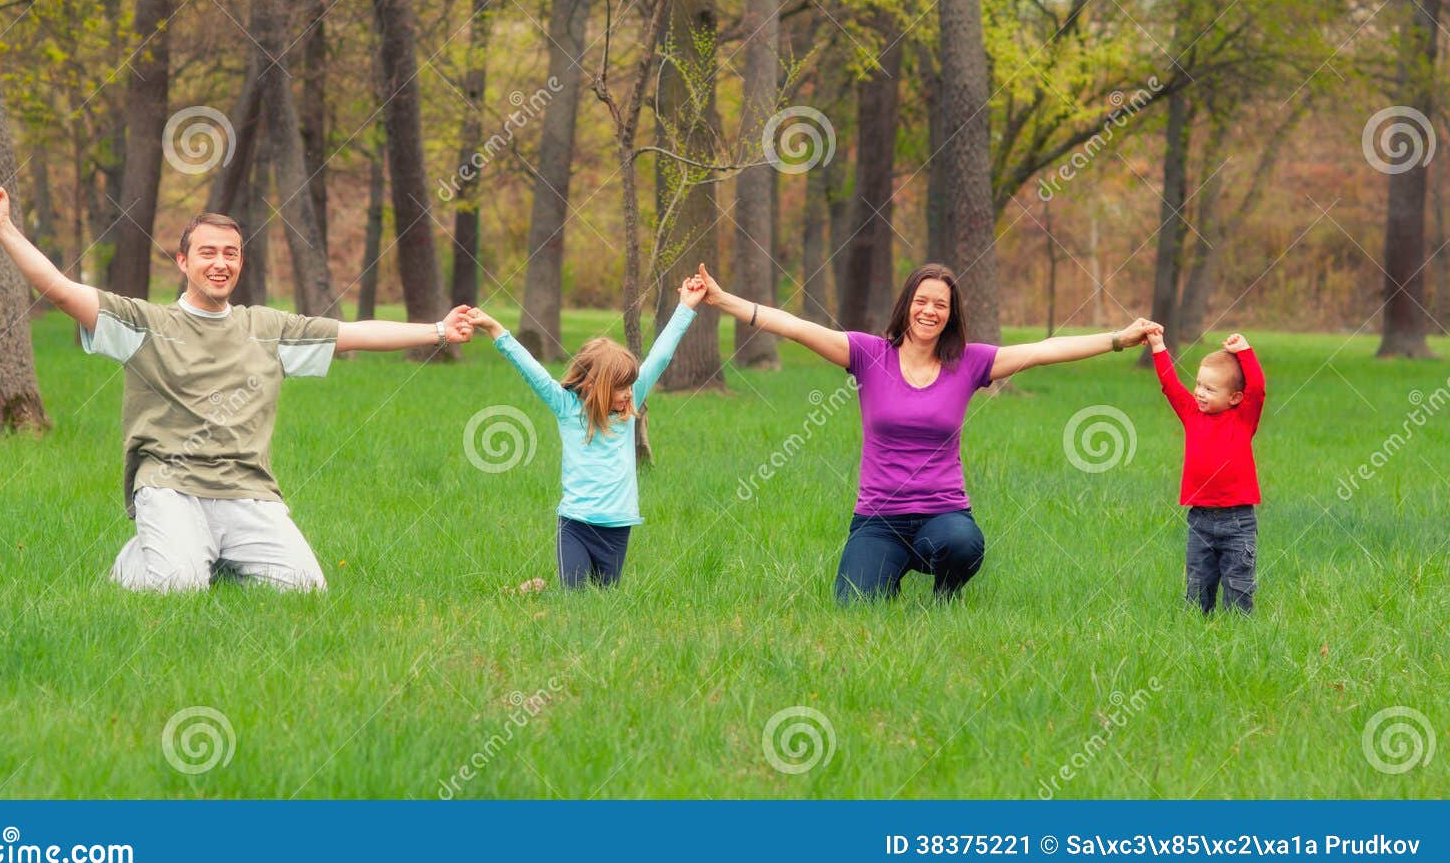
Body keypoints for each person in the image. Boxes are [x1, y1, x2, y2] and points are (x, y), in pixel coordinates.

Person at [0, 186, 474, 592]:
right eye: (207, 252)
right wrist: (5, 228)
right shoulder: (145, 324)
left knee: (305, 592)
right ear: (183, 261)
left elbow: (354, 333)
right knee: (177, 589)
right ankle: (145, 556)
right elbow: (61, 290)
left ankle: (211, 555)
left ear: (240, 263)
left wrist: (436, 331)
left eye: (230, 254)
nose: (220, 263)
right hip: (170, 485)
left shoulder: (266, 327)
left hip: (247, 490)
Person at [695, 261, 1159, 602]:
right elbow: (794, 327)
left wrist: (1118, 338)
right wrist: (721, 299)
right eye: (922, 301)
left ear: (950, 314)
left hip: (943, 513)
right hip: (878, 518)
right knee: (853, 607)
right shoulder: (867, 353)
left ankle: (945, 595)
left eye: (941, 304)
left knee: (963, 544)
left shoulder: (970, 363)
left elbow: (1045, 349)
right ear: (907, 306)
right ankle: (888, 571)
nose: (929, 311)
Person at [465, 275, 706, 588]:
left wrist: (685, 306)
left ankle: (536, 593)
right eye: (621, 388)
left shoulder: (627, 409)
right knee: (575, 599)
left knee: (603, 602)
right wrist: (496, 330)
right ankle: (536, 597)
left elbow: (660, 356)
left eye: (631, 387)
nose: (629, 394)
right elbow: (532, 371)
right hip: (575, 524)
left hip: (618, 527)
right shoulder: (567, 408)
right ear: (596, 386)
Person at [1145, 329, 1265, 615]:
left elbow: (1257, 388)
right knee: (1198, 589)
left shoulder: (1243, 418)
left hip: (1238, 522)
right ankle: (1198, 631)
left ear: (1235, 397)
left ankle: (1236, 634)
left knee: (1238, 589)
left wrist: (1245, 351)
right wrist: (1159, 346)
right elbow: (1170, 385)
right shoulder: (1191, 413)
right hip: (1199, 521)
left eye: (1210, 389)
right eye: (1199, 384)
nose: (1199, 392)